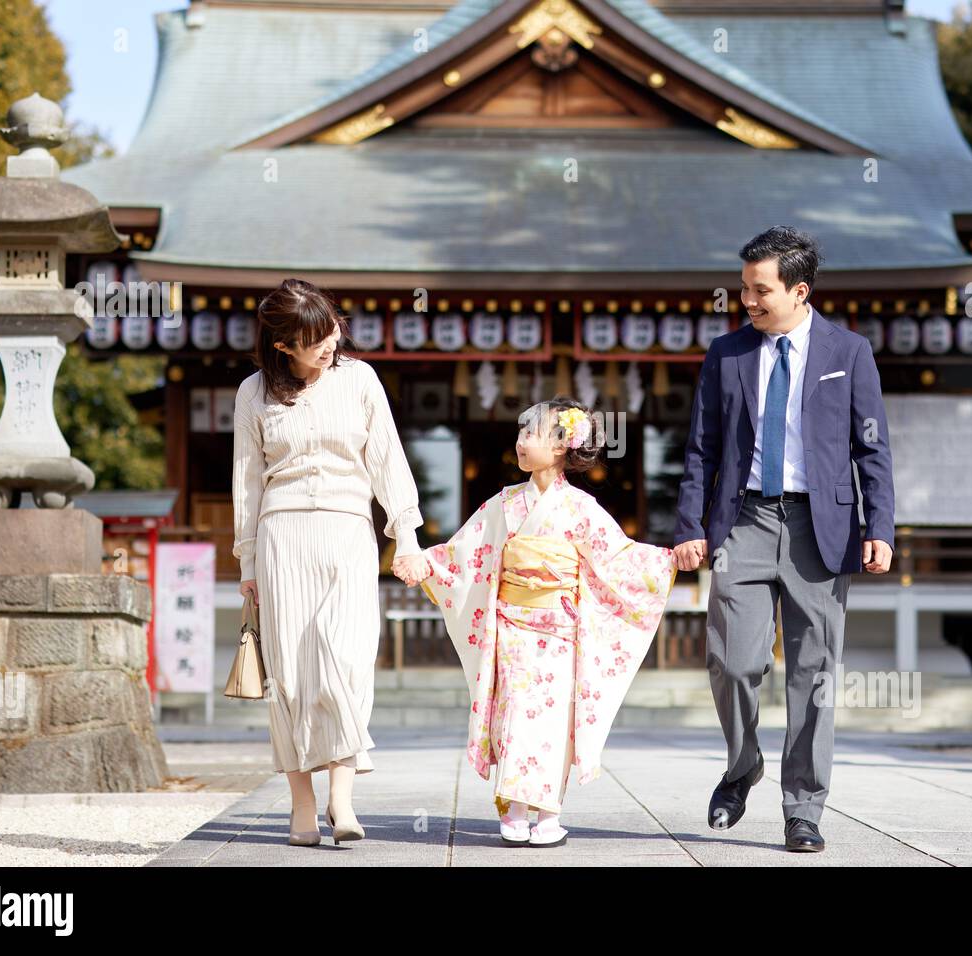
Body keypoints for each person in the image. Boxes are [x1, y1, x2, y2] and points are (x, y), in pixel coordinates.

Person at [673, 226, 895, 853]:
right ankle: (743, 768)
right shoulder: (727, 354)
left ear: (799, 291)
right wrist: (689, 527)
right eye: (743, 288)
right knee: (731, 661)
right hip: (742, 522)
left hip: (818, 529)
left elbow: (872, 449)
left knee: (813, 673)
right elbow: (701, 449)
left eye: (759, 290)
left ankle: (804, 808)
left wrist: (880, 526)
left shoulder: (848, 352)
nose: (746, 300)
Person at [397, 397, 677, 847]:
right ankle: (514, 810)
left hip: (559, 632)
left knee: (552, 722)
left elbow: (620, 559)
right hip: (512, 628)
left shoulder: (581, 508)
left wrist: (668, 559)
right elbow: (465, 553)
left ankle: (548, 812)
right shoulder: (504, 504)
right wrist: (427, 563)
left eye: (532, 434)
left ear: (563, 444)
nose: (521, 442)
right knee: (515, 716)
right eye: (521, 433)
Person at [232, 278, 426, 847]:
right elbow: (246, 480)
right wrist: (246, 563)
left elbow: (388, 459)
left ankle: (342, 795)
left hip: (348, 531)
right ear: (283, 346)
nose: (327, 345)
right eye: (312, 339)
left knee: (346, 659)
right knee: (289, 674)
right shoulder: (254, 393)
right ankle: (302, 803)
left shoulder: (360, 378)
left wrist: (406, 536)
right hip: (280, 536)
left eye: (331, 330)